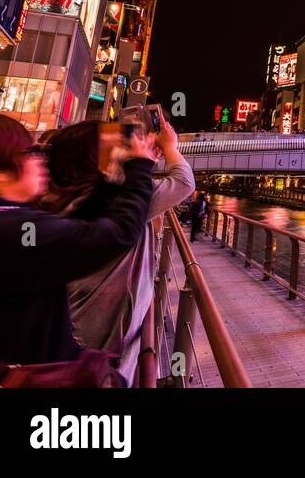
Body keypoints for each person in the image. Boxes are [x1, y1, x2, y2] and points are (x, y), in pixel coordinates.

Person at [0, 112, 155, 381]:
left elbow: (87, 224)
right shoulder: (13, 231)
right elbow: (117, 233)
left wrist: (112, 176)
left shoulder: (1, 218)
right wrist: (140, 166)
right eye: (29, 151)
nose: (40, 159)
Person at [39, 113, 195, 386]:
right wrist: (170, 147)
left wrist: (141, 167)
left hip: (71, 335)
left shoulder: (59, 199)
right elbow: (184, 181)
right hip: (105, 349)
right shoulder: (119, 201)